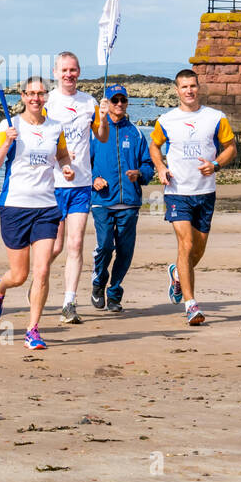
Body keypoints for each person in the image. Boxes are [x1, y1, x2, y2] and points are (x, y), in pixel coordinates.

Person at [0, 75, 75, 350]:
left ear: (46, 96)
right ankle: (0, 288)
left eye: (41, 93)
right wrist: (6, 144)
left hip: (47, 207)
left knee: (43, 270)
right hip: (14, 206)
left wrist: (67, 168)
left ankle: (32, 330)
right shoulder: (8, 125)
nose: (36, 98)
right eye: (31, 93)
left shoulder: (55, 128)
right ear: (23, 96)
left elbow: (62, 156)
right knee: (19, 275)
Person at [148, 69, 236, 326]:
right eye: (184, 87)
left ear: (199, 88)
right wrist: (161, 167)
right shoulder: (166, 120)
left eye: (193, 86)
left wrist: (215, 165)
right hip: (177, 192)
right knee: (185, 245)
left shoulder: (215, 118)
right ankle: (191, 305)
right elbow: (154, 145)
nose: (189, 91)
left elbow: (231, 148)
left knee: (197, 250)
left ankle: (177, 273)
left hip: (205, 192)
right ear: (177, 90)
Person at [43, 51, 108, 324]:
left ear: (79, 72)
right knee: (53, 247)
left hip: (81, 184)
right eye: (64, 70)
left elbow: (101, 137)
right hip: (52, 185)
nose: (69, 74)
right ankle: (38, 284)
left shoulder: (88, 102)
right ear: (56, 72)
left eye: (73, 70)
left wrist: (103, 118)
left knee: (76, 243)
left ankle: (69, 302)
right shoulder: (47, 102)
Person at [88, 84, 154, 312]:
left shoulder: (135, 133)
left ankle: (114, 292)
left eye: (122, 100)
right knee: (105, 246)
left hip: (129, 202)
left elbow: (148, 165)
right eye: (114, 100)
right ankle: (98, 282)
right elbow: (81, 165)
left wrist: (140, 174)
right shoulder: (96, 132)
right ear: (106, 103)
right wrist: (94, 179)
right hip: (102, 201)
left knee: (125, 251)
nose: (119, 104)